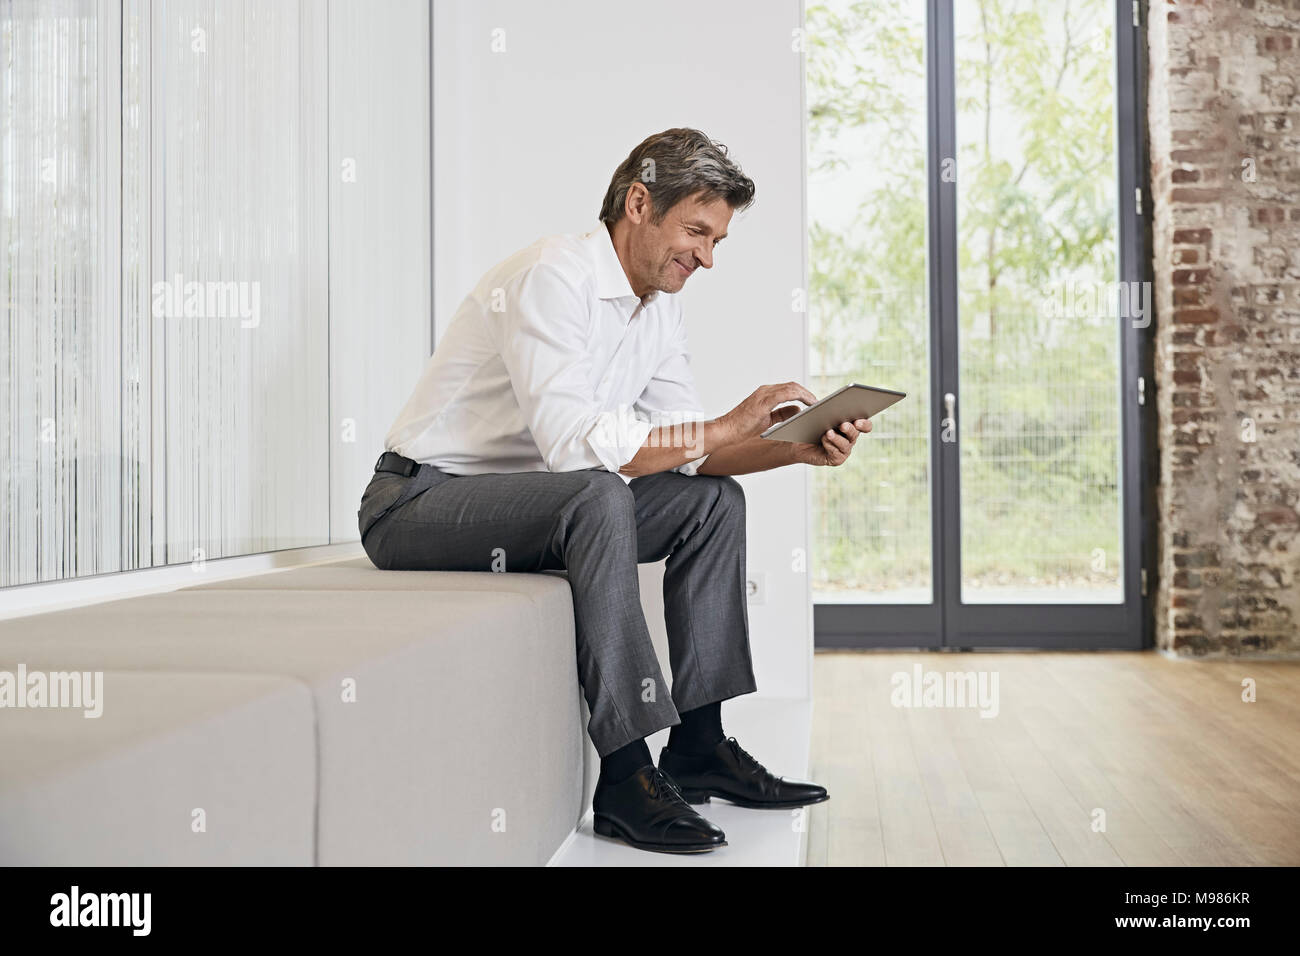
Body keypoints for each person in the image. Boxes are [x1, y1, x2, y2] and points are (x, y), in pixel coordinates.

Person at [358, 127, 872, 855]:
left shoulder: (655, 311)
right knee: (597, 492)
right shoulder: (551, 277)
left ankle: (698, 747)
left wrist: (793, 449)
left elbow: (692, 459)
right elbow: (576, 449)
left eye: (718, 239)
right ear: (639, 202)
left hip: (527, 505)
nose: (707, 256)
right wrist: (725, 423)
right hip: (416, 504)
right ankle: (626, 776)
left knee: (710, 505)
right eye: (697, 230)